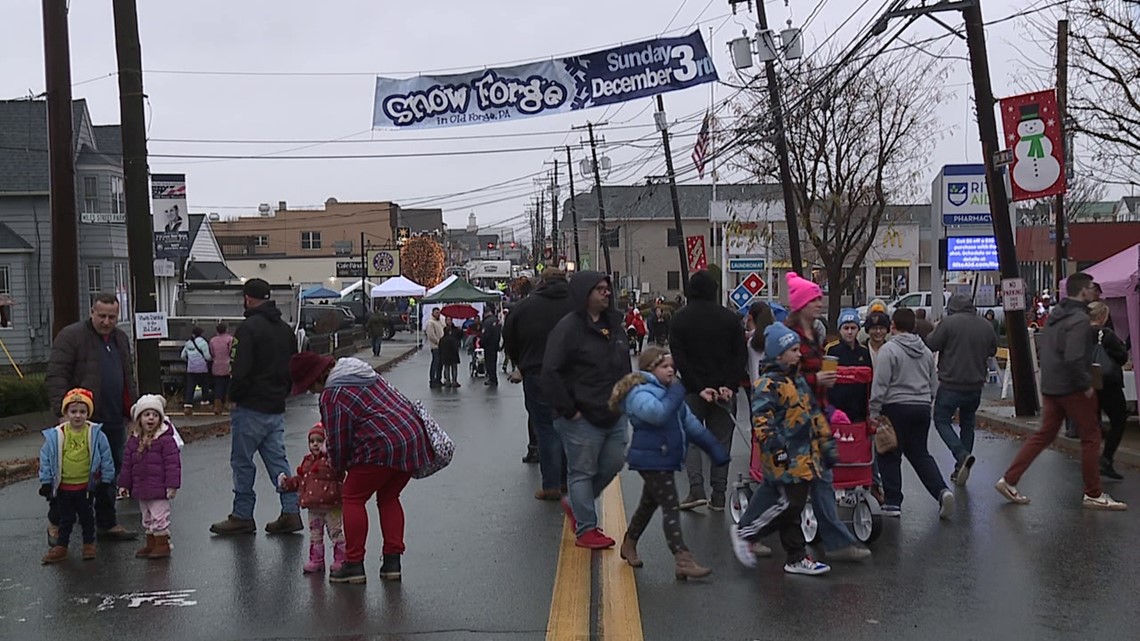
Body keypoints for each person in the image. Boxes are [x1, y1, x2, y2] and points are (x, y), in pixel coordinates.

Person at [288, 353, 432, 584]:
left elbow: (338, 440)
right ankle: (392, 563)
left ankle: (354, 565)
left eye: (309, 386)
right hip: (411, 438)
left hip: (381, 445)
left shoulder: (332, 394)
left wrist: (337, 468)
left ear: (317, 377)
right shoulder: (360, 372)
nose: (311, 392)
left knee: (353, 498)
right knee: (389, 497)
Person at [995, 274, 1127, 509]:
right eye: (1091, 287)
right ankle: (1094, 493)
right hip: (1072, 386)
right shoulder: (1078, 319)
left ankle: (1009, 479)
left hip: (1052, 384)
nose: (1094, 291)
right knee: (1091, 436)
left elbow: (1051, 350)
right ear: (1082, 291)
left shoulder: (1056, 315)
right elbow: (1074, 357)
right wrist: (1086, 384)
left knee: (1045, 434)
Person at [609, 347, 729, 580]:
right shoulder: (640, 392)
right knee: (670, 505)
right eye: (664, 366)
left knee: (649, 503)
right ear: (650, 369)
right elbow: (657, 414)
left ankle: (629, 543)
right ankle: (683, 559)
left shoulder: (669, 392)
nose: (671, 370)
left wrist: (714, 449)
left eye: (672, 366)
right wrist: (676, 393)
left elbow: (691, 424)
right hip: (649, 459)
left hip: (665, 458)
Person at [729, 324, 832, 576]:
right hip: (785, 457)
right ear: (778, 353)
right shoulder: (767, 384)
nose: (799, 354)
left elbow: (814, 413)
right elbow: (763, 421)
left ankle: (796, 556)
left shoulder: (797, 381)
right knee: (789, 504)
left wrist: (826, 443)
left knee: (793, 509)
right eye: (793, 350)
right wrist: (777, 449)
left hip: (804, 456)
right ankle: (747, 532)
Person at [782, 274, 870, 561]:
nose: (820, 303)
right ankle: (749, 531)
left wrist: (823, 381)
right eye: (814, 299)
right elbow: (782, 379)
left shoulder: (815, 334)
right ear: (801, 304)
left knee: (823, 479)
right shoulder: (789, 336)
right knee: (784, 488)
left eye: (820, 298)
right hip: (797, 419)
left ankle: (838, 543)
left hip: (817, 415)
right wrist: (815, 378)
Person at [542, 271, 632, 549]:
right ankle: (586, 529)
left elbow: (624, 365)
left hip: (614, 413)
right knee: (582, 471)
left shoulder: (614, 326)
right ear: (585, 293)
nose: (606, 293)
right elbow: (551, 371)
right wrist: (569, 410)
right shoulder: (569, 328)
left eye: (607, 288)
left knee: (614, 461)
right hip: (581, 415)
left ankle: (575, 503)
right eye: (599, 289)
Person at [210, 278, 302, 536]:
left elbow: (240, 368)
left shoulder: (248, 329)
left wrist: (234, 396)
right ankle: (291, 510)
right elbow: (294, 365)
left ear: (247, 298)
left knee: (242, 461)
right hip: (275, 405)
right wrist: (282, 392)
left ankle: (242, 514)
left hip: (250, 405)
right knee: (277, 461)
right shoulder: (285, 330)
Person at [45, 293, 137, 543]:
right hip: (80, 422)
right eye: (102, 316)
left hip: (114, 419)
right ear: (92, 312)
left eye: (112, 317)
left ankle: (106, 522)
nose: (107, 322)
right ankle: (56, 522)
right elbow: (56, 375)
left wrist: (132, 412)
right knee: (71, 474)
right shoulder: (71, 336)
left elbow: (127, 377)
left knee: (109, 472)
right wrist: (62, 413)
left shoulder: (120, 339)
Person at [669, 271, 747, 512]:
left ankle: (696, 489)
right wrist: (729, 385)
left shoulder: (680, 319)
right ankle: (719, 495)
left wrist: (698, 386)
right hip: (724, 392)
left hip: (693, 391)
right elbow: (740, 355)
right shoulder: (730, 319)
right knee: (721, 441)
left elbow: (680, 358)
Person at [870, 308, 955, 520]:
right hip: (921, 407)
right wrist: (928, 400)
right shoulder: (924, 351)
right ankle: (942, 491)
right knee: (920, 454)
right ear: (914, 326)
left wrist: (874, 410)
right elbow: (933, 382)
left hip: (895, 406)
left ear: (893, 326)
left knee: (889, 453)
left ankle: (893, 502)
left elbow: (880, 384)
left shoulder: (889, 350)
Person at [502, 268, 574, 496]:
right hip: (571, 373)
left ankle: (551, 484)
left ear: (542, 281)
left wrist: (521, 363)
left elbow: (509, 338)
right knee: (567, 425)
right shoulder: (578, 303)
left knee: (545, 427)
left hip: (537, 371)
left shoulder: (525, 307)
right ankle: (566, 480)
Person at [925, 294, 998, 486]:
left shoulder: (948, 323)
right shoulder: (986, 325)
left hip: (951, 383)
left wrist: (936, 327)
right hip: (975, 384)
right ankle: (961, 467)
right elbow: (992, 350)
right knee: (968, 423)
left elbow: (931, 344)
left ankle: (961, 454)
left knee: (941, 420)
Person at [39, 388, 116, 564]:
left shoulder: (95, 434)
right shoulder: (57, 435)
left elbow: (106, 458)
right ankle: (61, 546)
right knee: (65, 519)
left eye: (82, 411)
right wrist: (46, 482)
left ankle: (89, 544)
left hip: (85, 486)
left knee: (87, 517)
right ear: (66, 413)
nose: (78, 416)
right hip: (64, 486)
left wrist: (106, 480)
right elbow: (46, 458)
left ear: (88, 413)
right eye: (73, 411)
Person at [117, 394, 183, 560]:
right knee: (146, 517)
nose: (151, 418)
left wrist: (172, 485)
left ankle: (162, 544)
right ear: (139, 418)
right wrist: (124, 485)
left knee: (159, 516)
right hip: (141, 487)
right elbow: (127, 465)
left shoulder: (166, 440)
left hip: (159, 488)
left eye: (155, 415)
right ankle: (151, 543)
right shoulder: (134, 441)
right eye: (147, 415)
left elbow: (173, 464)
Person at [278, 422, 346, 575]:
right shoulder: (307, 461)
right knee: (315, 534)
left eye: (319, 441)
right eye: (312, 441)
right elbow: (301, 480)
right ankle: (316, 560)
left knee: (335, 532)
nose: (315, 444)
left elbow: (340, 472)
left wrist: (331, 453)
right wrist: (287, 483)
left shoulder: (331, 460)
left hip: (332, 505)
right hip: (313, 506)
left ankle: (341, 559)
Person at [1086, 302, 1129, 480]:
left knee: (1092, 424)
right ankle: (1106, 459)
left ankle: (1090, 463)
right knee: (1119, 420)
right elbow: (1122, 356)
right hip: (1108, 383)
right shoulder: (1106, 334)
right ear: (1102, 316)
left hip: (1087, 383)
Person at [181, 326, 212, 416]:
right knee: (205, 386)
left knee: (190, 387)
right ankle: (204, 404)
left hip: (191, 369)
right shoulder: (203, 343)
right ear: (201, 333)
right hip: (202, 369)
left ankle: (188, 405)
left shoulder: (188, 343)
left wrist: (190, 361)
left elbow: (182, 356)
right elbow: (207, 356)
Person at [209, 324, 234, 415]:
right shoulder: (230, 339)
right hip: (227, 365)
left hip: (216, 365)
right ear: (226, 329)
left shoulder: (212, 340)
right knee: (228, 385)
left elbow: (212, 353)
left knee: (218, 385)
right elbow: (231, 351)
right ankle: (227, 404)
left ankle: (217, 406)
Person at [425, 308, 446, 389]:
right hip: (435, 346)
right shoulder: (430, 323)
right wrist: (438, 342)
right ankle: (432, 380)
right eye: (436, 313)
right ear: (433, 313)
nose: (438, 314)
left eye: (439, 313)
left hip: (442, 346)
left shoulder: (440, 322)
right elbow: (431, 335)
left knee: (440, 364)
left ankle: (438, 379)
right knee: (435, 363)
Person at [481, 312, 502, 387]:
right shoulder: (496, 320)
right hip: (495, 345)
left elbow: (485, 334)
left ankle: (491, 378)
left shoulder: (486, 322)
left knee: (489, 363)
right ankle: (494, 378)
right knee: (493, 362)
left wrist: (482, 343)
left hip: (488, 345)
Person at [439, 324, 462, 388]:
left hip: (445, 356)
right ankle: (454, 381)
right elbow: (455, 347)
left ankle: (447, 382)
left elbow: (440, 347)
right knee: (454, 368)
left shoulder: (442, 339)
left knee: (446, 368)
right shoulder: (452, 339)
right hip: (453, 356)